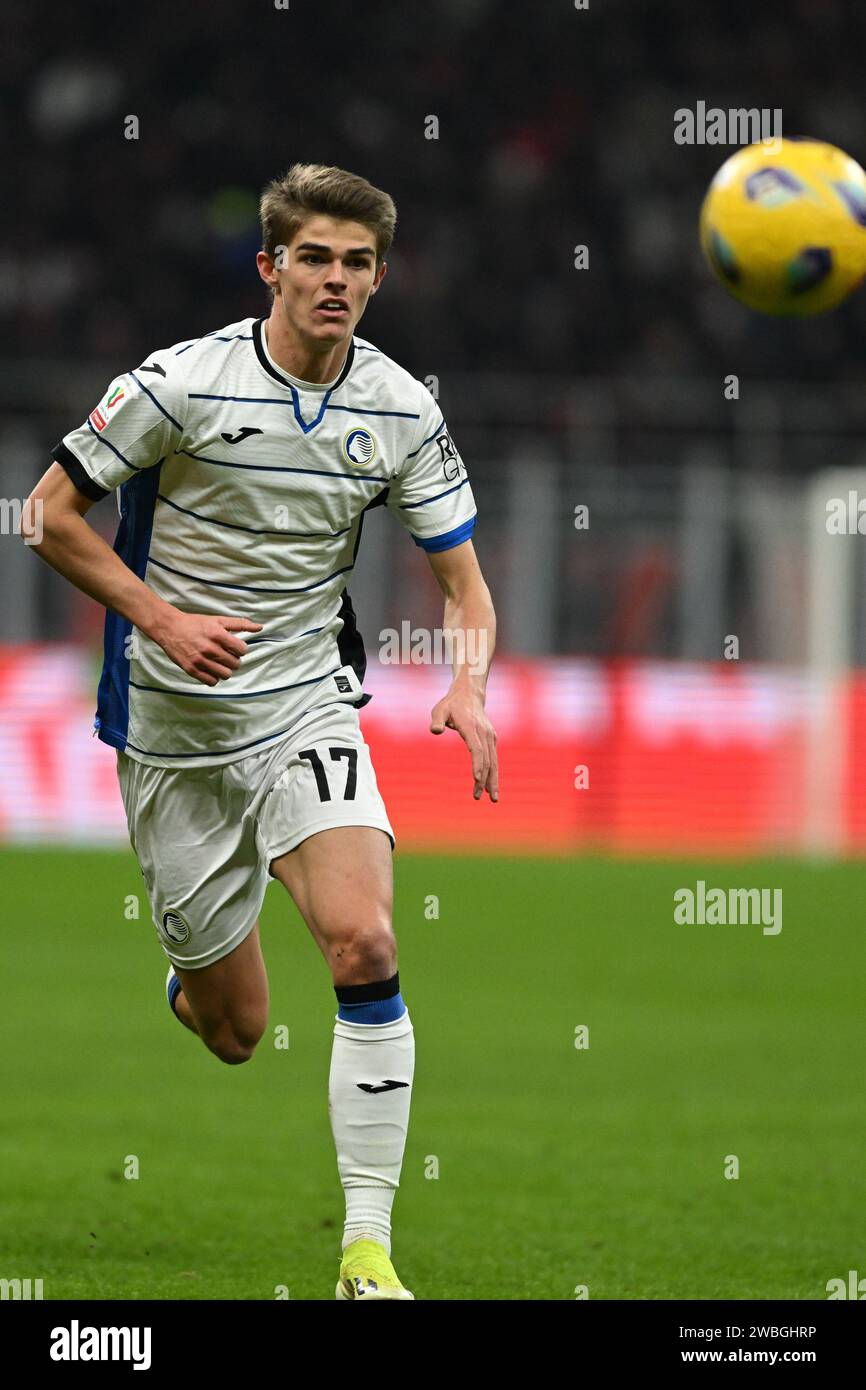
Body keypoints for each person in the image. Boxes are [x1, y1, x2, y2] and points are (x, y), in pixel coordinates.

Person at [24, 163, 498, 1301]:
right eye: (314, 258)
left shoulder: (401, 408)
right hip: (172, 726)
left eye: (356, 263)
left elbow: (465, 587)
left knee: (364, 943)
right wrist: (162, 619)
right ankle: (192, 982)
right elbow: (47, 515)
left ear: (379, 278)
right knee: (236, 1031)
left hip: (304, 703)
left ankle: (366, 1254)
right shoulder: (180, 383)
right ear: (269, 267)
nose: (335, 279)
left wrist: (468, 685)